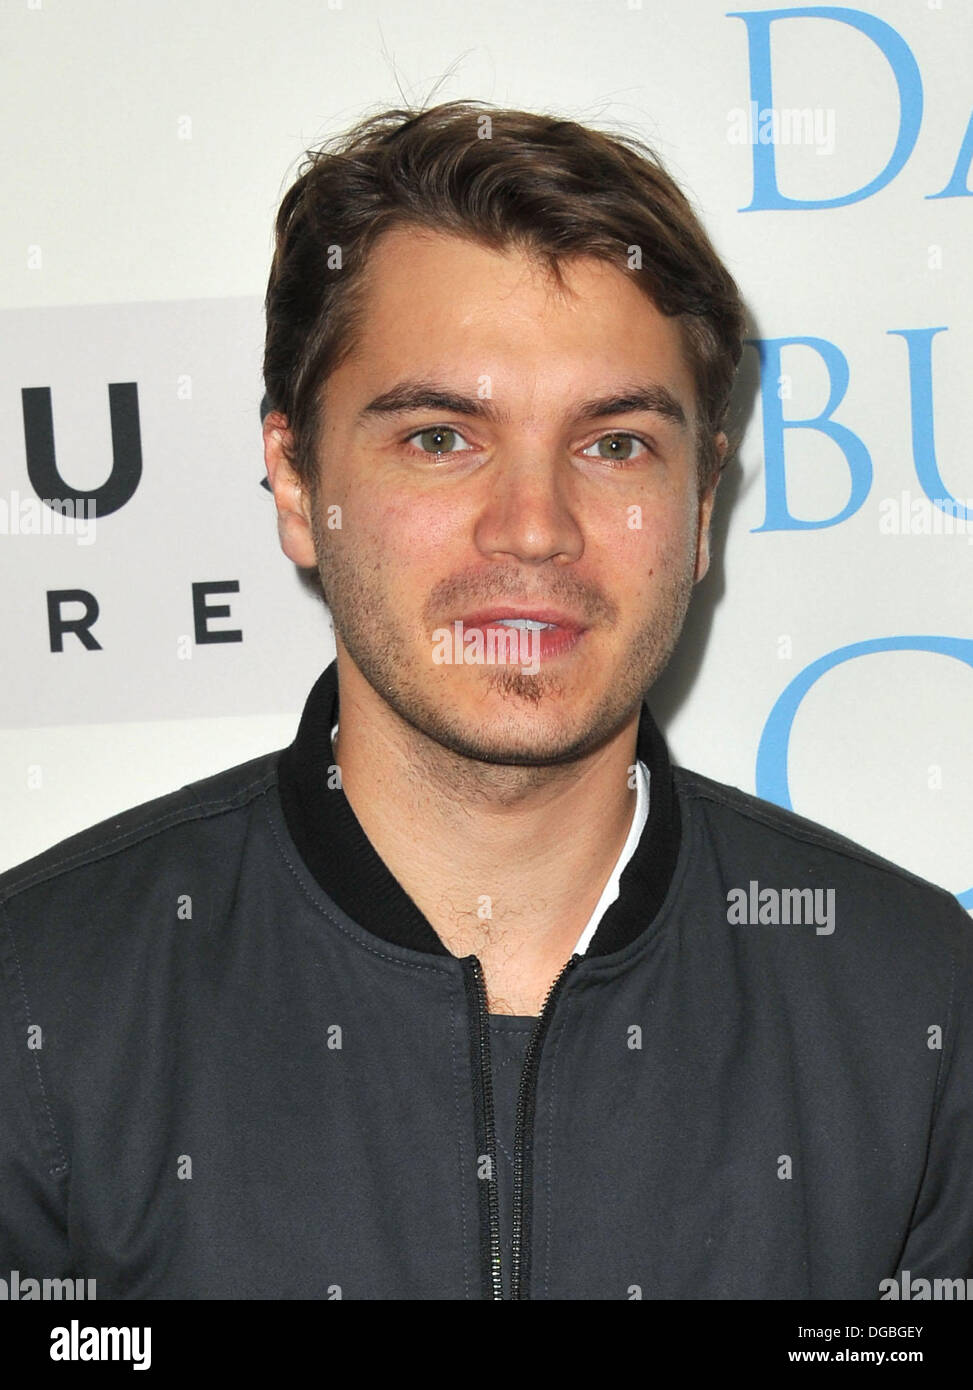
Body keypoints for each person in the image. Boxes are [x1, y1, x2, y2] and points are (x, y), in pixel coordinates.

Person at [1, 100, 970, 1301]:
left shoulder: (917, 1005)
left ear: (701, 504)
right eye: (439, 436)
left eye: (615, 444)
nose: (533, 528)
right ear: (297, 482)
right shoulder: (39, 999)